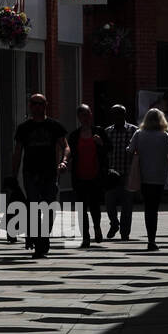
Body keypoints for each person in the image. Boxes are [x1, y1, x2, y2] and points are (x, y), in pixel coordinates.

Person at [11, 94, 68, 259]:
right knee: (34, 208)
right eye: (34, 103)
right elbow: (17, 152)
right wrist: (13, 174)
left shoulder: (54, 126)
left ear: (46, 105)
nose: (37, 106)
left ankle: (42, 237)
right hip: (30, 173)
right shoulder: (24, 128)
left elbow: (65, 146)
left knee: (50, 208)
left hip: (50, 173)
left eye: (40, 103)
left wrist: (64, 161)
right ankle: (39, 242)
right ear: (30, 105)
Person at [127, 108, 168, 251]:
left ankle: (150, 239)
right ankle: (152, 240)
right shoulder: (164, 135)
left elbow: (130, 150)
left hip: (144, 176)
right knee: (154, 208)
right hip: (159, 177)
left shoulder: (139, 134)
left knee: (148, 208)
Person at [62, 105, 109, 248]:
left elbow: (109, 148)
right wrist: (64, 162)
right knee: (81, 208)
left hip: (96, 175)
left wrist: (101, 143)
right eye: (82, 115)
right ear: (79, 117)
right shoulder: (75, 135)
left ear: (91, 114)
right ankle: (86, 237)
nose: (85, 117)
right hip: (79, 176)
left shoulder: (100, 131)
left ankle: (97, 228)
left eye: (87, 114)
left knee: (95, 206)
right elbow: (69, 151)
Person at [104, 105, 137, 240]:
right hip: (111, 174)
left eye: (119, 114)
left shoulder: (133, 131)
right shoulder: (107, 132)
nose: (117, 117)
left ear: (124, 115)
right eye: (114, 114)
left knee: (127, 205)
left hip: (127, 173)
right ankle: (114, 224)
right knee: (109, 203)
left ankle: (125, 232)